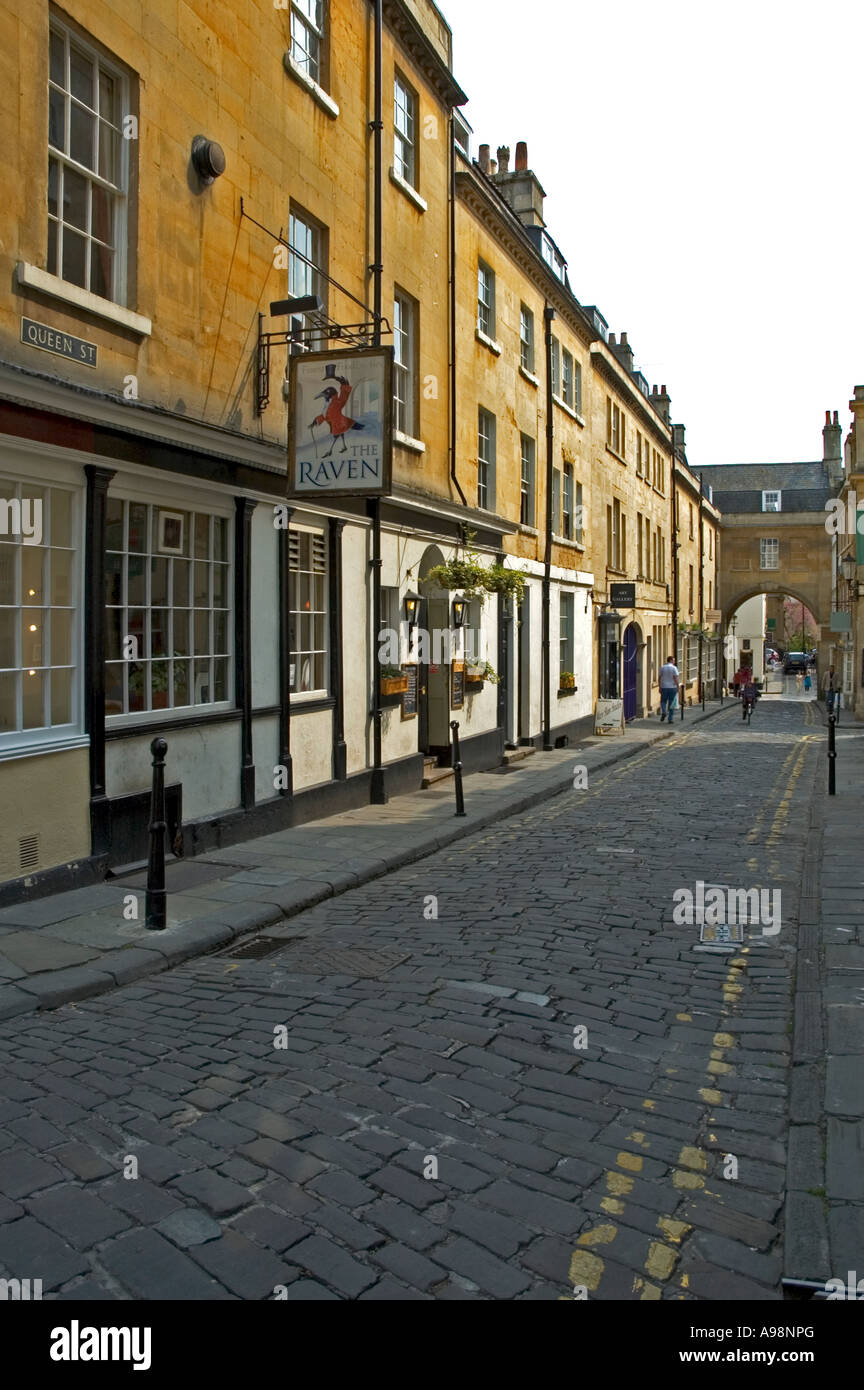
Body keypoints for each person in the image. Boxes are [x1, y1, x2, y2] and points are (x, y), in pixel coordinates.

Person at [658, 655, 680, 722]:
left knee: (663, 701)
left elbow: (659, 678)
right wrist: (678, 686)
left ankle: (664, 712)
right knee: (671, 703)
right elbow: (675, 678)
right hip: (672, 687)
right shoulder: (674, 668)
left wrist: (659, 686)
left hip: (664, 687)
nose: (674, 662)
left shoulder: (662, 667)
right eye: (673, 660)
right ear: (670, 660)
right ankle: (670, 719)